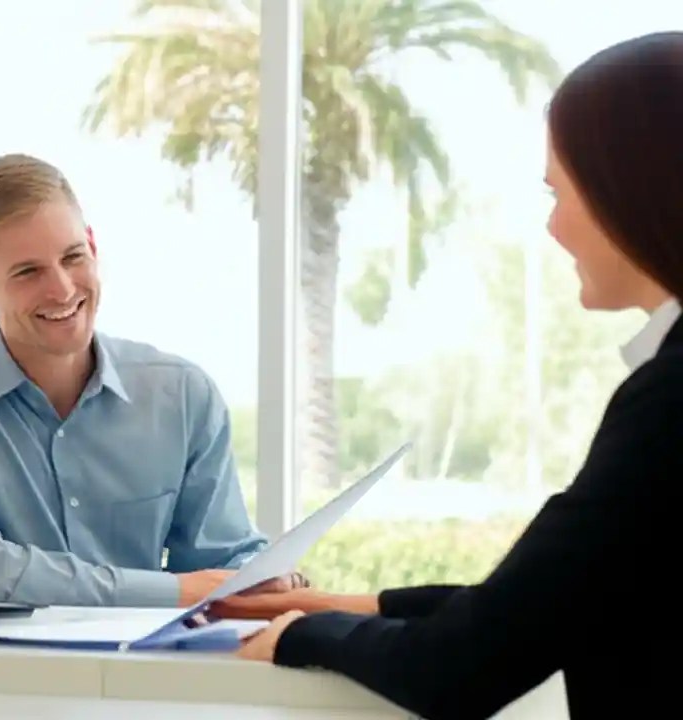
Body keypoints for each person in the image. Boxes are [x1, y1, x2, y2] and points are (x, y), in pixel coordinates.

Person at [216, 32, 683, 719]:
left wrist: (303, 633)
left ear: (628, 183)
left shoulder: (668, 402)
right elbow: (559, 593)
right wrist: (339, 603)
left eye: (558, 191)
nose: (553, 227)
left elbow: (462, 667)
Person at [0, 152, 301, 608]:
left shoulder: (182, 395)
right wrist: (175, 592)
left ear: (93, 247)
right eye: (28, 272)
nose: (62, 289)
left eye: (73, 256)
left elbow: (219, 561)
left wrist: (262, 577)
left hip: (142, 677)